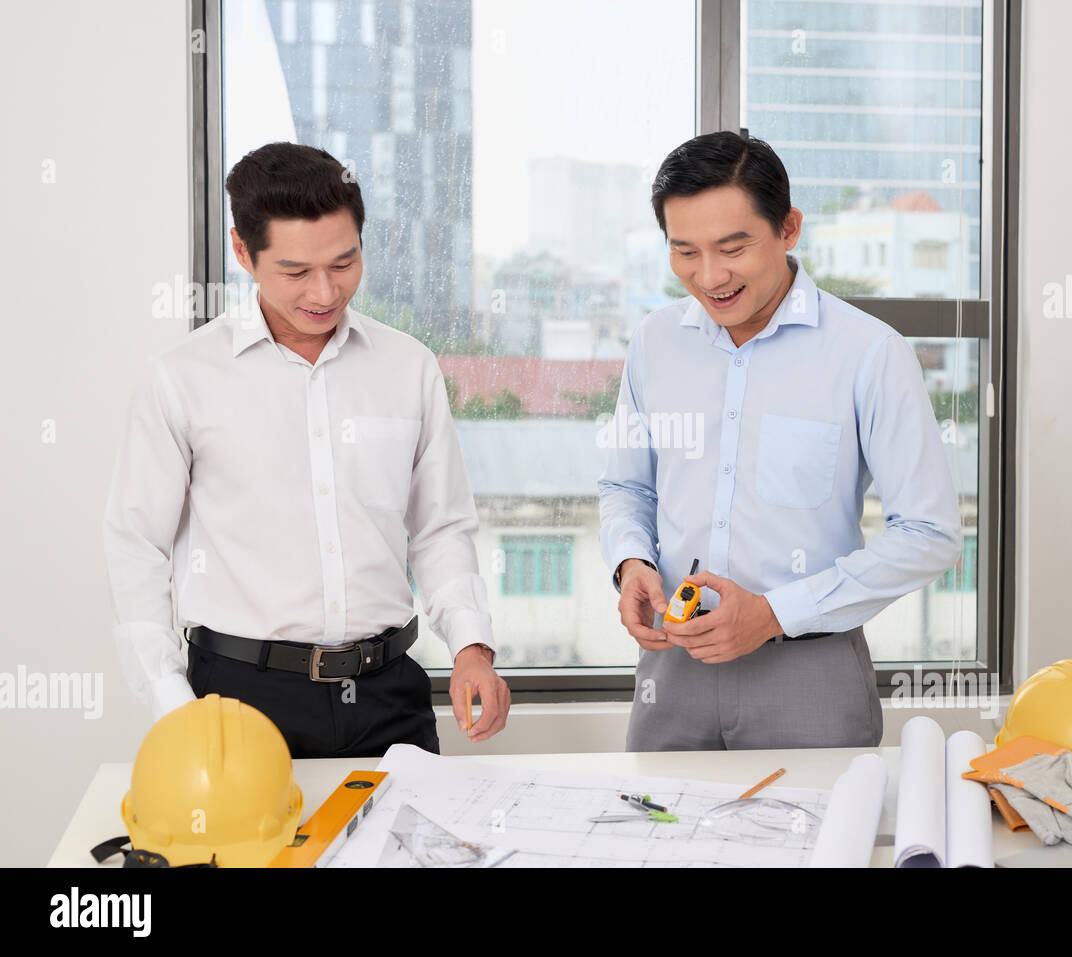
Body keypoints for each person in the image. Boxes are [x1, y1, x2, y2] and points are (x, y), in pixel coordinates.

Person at [103, 142, 509, 758]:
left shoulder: (408, 367)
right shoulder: (181, 379)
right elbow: (136, 546)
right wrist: (171, 702)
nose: (324, 291)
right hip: (240, 700)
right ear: (243, 252)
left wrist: (471, 646)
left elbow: (439, 528)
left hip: (390, 695)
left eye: (344, 262)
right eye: (295, 271)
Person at [598, 130, 961, 751]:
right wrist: (631, 561)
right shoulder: (655, 343)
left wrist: (774, 614)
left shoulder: (869, 352)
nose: (709, 277)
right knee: (661, 843)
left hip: (810, 672)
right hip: (673, 669)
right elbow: (626, 485)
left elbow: (929, 534)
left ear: (789, 228)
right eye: (684, 251)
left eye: (732, 248)